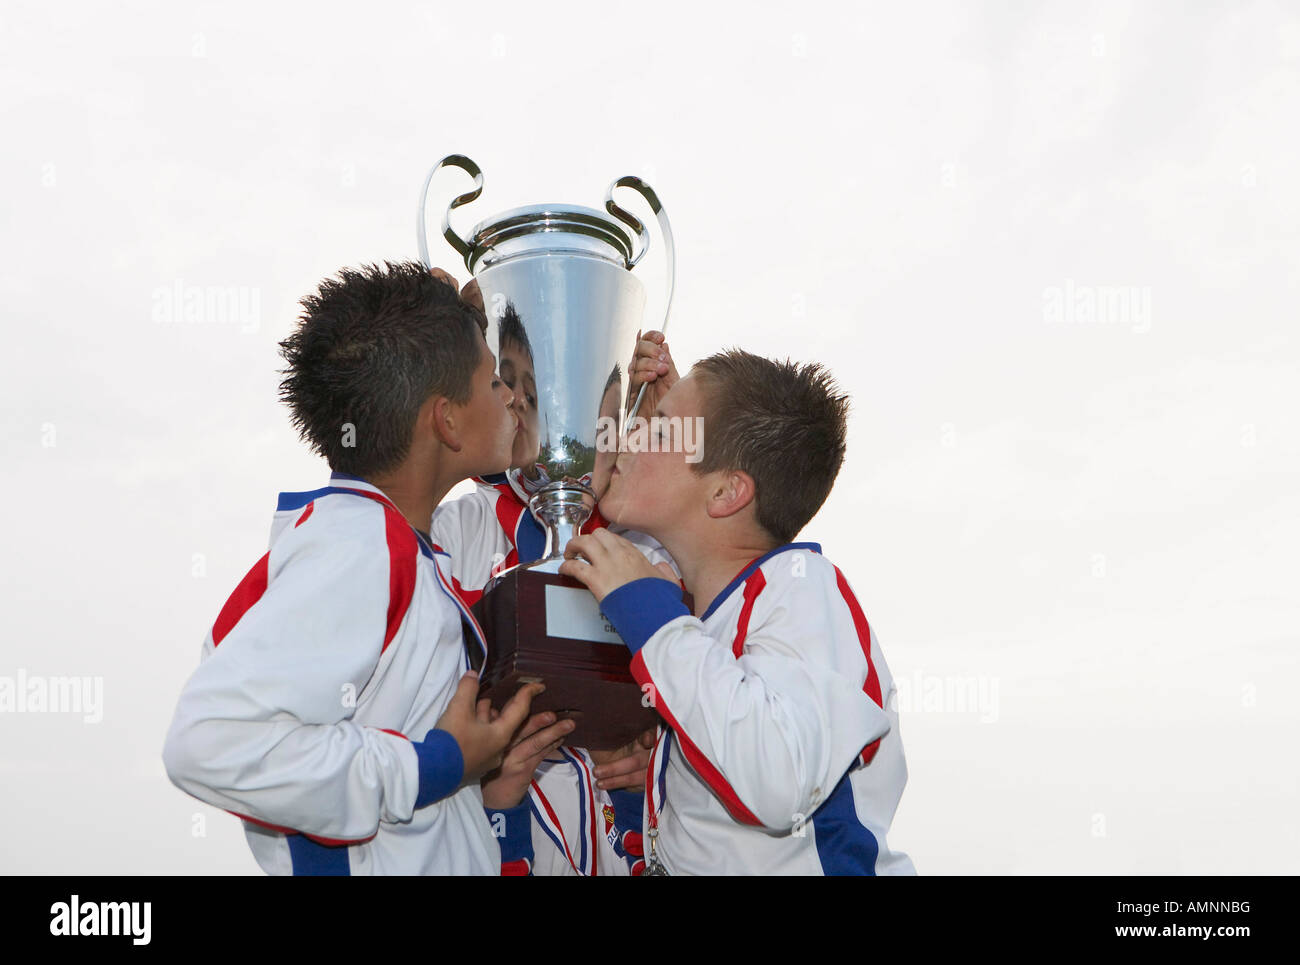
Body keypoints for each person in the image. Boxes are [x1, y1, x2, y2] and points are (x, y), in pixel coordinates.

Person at [162, 261, 569, 875]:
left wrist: (474, 780)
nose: (512, 396)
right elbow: (208, 741)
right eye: (493, 382)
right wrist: (437, 765)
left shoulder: (390, 542)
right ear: (447, 420)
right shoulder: (363, 547)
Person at [558, 349, 915, 875]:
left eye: (656, 432)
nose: (624, 440)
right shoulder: (698, 631)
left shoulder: (800, 586)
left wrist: (649, 614)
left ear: (726, 492)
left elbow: (778, 781)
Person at [428, 275, 676, 874]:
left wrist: (670, 757)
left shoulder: (651, 550)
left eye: (541, 398)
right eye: (501, 383)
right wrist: (487, 788)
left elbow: (711, 687)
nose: (515, 404)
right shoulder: (457, 531)